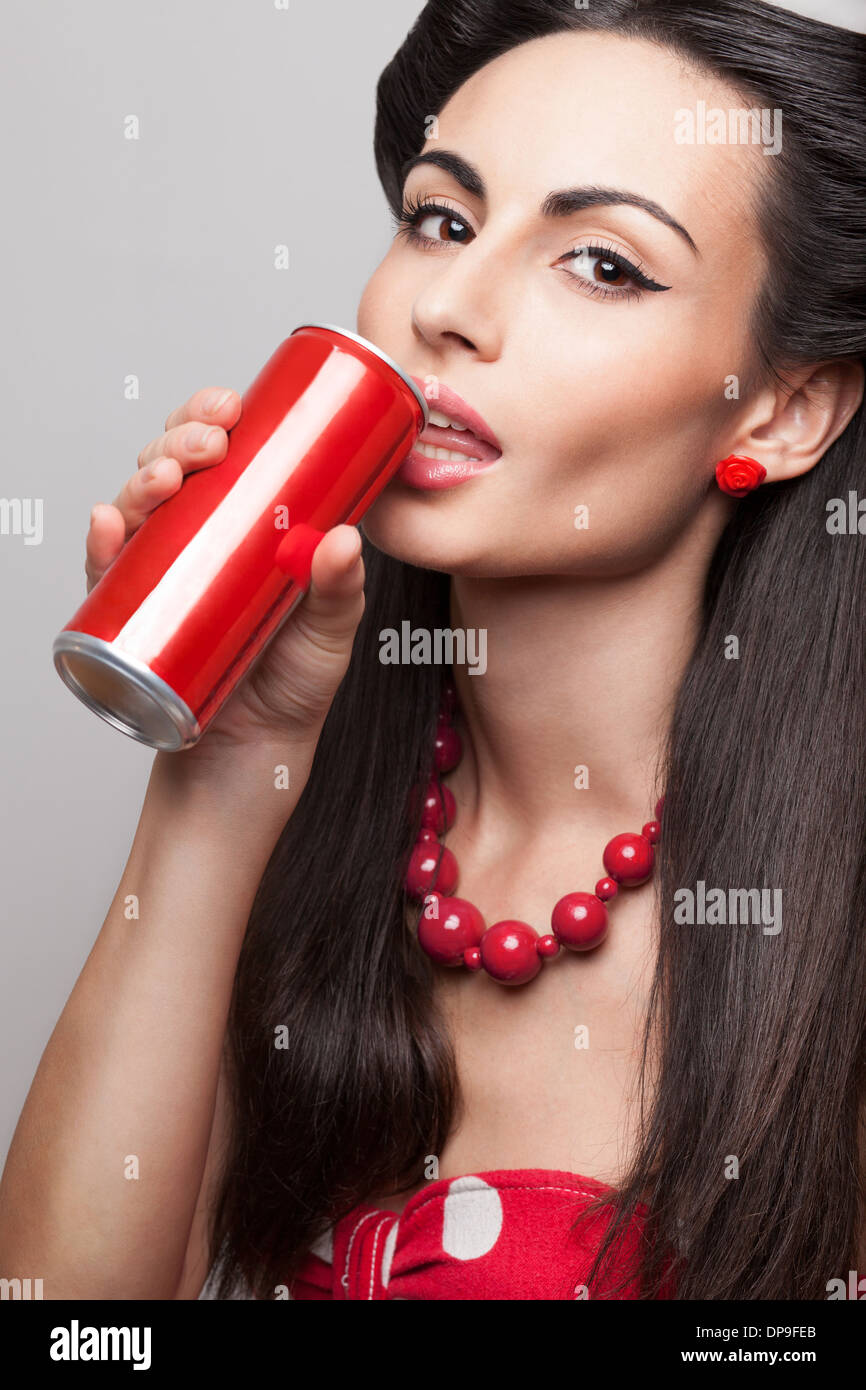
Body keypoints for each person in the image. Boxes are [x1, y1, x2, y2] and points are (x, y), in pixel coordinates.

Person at [1, 0, 864, 1301]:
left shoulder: (829, 924)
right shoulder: (311, 836)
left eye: (602, 263)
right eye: (440, 220)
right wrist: (219, 771)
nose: (448, 307)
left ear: (785, 409)